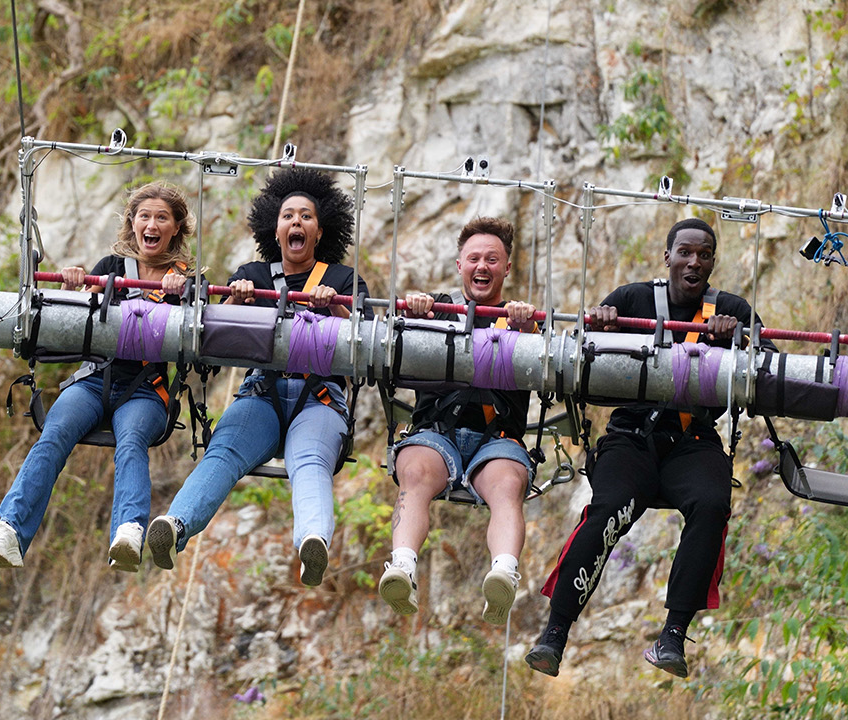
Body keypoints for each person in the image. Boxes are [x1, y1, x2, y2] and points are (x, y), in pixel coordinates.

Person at [525, 217, 767, 678]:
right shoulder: (632, 300)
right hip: (630, 436)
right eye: (686, 252)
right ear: (668, 257)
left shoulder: (731, 308)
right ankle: (556, 631)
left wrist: (738, 337)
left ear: (713, 263)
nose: (694, 262)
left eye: (704, 255)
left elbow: (767, 359)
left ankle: (673, 634)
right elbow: (582, 349)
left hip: (693, 439)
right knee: (609, 507)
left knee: (713, 503)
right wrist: (605, 326)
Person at [146, 167, 367, 586]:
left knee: (310, 461)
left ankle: (312, 541)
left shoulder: (343, 280)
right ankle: (175, 525)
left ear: (319, 232)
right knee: (224, 452)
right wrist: (234, 300)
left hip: (317, 396)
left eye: (306, 216)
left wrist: (336, 305)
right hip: (261, 392)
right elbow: (221, 335)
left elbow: (366, 338)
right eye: (288, 216)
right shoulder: (253, 275)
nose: (296, 222)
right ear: (276, 228)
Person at [0, 182, 198, 572]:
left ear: (176, 227)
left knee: (131, 442)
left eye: (162, 217)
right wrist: (74, 285)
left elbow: (200, 333)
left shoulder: (185, 282)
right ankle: (9, 529)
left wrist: (182, 292)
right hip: (95, 379)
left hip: (146, 389)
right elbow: (76, 319)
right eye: (144, 216)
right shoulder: (110, 269)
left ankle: (129, 530)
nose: (152, 224)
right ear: (132, 224)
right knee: (55, 435)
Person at [377, 217, 537, 626]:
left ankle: (503, 571)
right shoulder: (438, 309)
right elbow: (396, 343)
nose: (482, 267)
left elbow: (543, 355)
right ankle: (403, 566)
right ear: (459, 264)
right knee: (414, 472)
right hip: (436, 433)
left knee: (507, 485)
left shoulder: (519, 320)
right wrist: (416, 313)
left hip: (497, 437)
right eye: (474, 259)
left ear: (506, 268)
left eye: (492, 259)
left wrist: (527, 324)